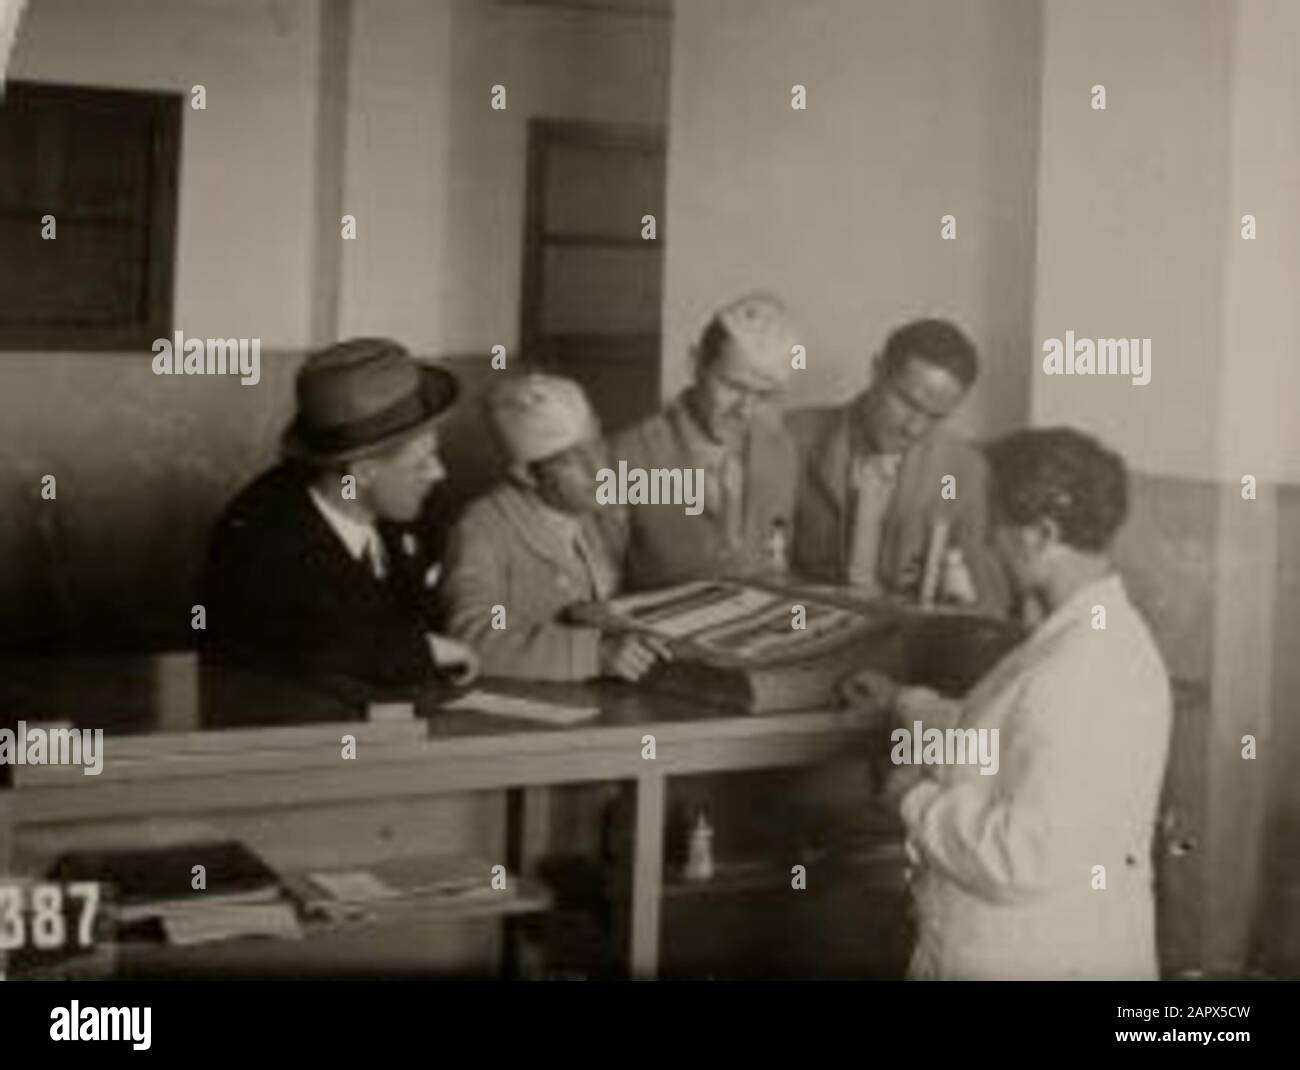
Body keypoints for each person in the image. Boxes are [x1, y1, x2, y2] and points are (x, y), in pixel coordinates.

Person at [848, 428, 1172, 980]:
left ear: (1040, 535)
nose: (990, 541)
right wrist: (906, 704)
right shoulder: (1085, 636)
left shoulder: (1082, 670)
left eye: (997, 523)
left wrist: (913, 798)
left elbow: (1022, 858)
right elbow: (1003, 735)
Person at [202, 338, 478, 691]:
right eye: (420, 463)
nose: (439, 473)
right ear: (362, 472)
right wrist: (427, 651)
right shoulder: (261, 536)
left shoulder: (410, 511)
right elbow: (302, 654)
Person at [445, 374, 670, 682]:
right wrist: (594, 654)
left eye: (597, 445)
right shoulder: (485, 528)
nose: (598, 468)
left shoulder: (604, 511)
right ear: (527, 475)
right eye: (572, 460)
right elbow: (473, 637)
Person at [786, 318, 1007, 612]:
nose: (914, 429)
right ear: (877, 370)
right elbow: (757, 566)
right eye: (907, 403)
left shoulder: (963, 470)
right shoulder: (794, 437)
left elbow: (987, 604)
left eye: (936, 416)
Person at [602, 293, 800, 590]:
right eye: (732, 386)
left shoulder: (781, 451)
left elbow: (777, 558)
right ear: (695, 364)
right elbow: (603, 590)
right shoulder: (625, 457)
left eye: (764, 396)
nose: (745, 411)